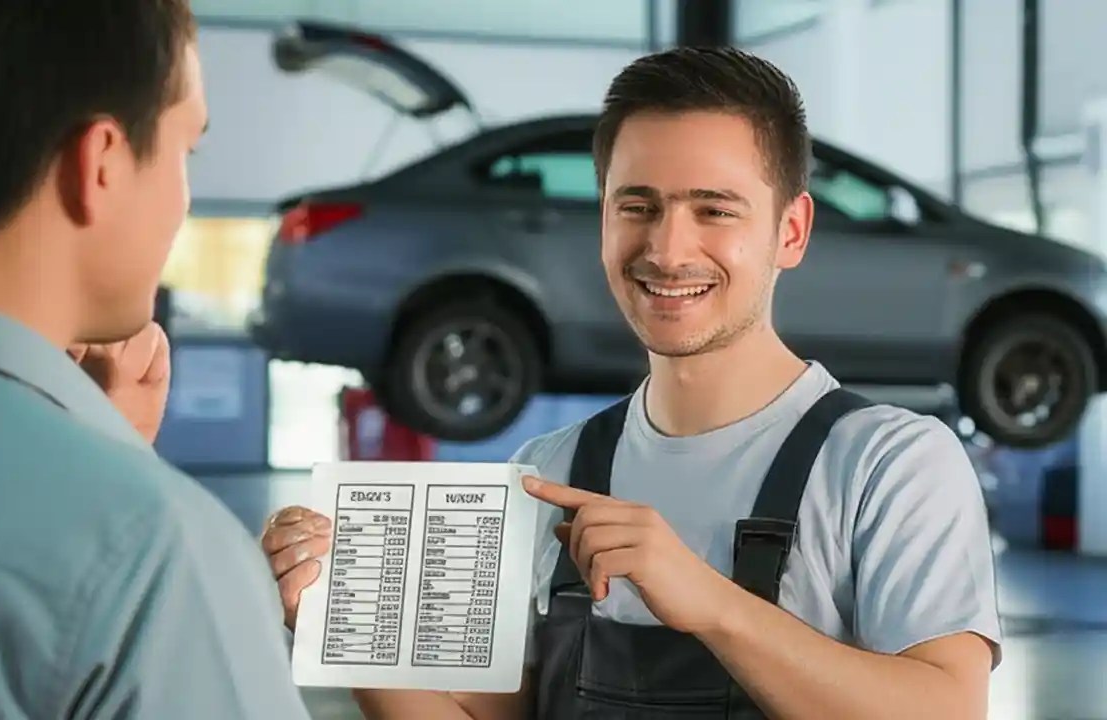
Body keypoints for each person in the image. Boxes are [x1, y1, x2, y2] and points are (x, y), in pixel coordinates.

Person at [263, 46, 1001, 719]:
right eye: (637, 206)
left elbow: (948, 707)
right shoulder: (546, 474)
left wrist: (710, 603)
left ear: (791, 231)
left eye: (714, 210)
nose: (667, 248)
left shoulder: (891, 465)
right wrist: (342, 625)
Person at [0, 2, 310, 718]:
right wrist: (107, 480)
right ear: (102, 164)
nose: (183, 195)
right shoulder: (153, 559)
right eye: (187, 151)